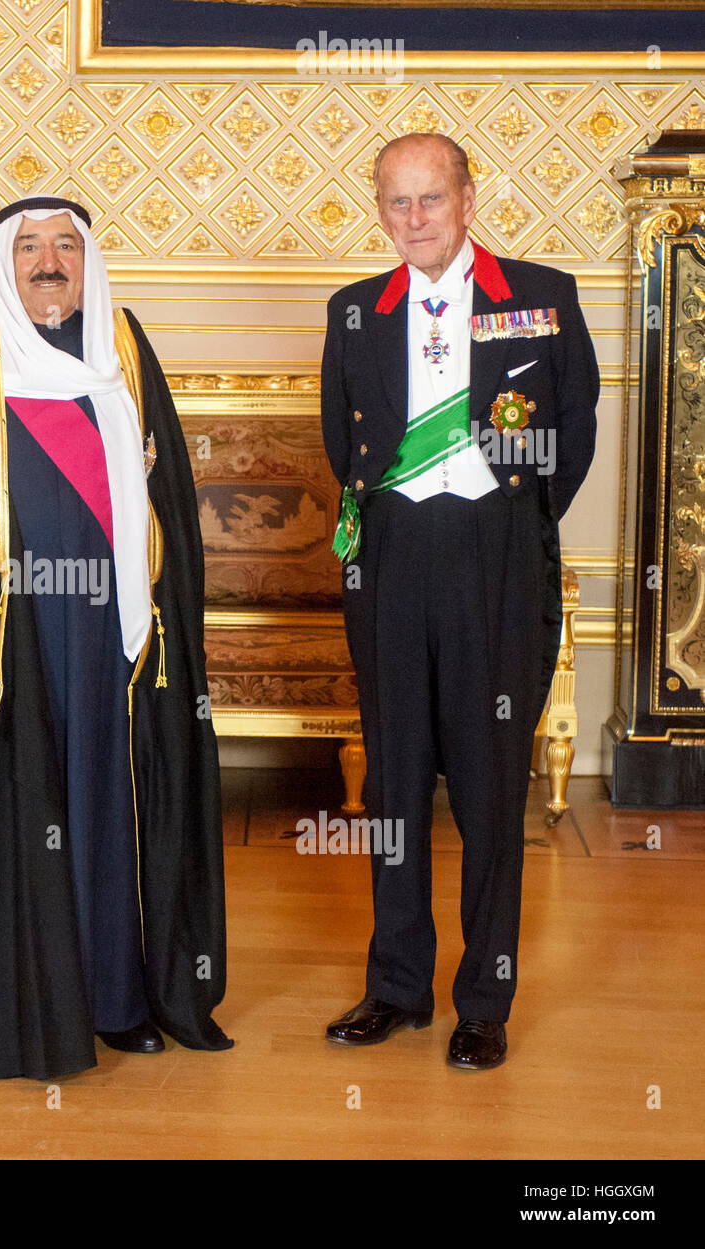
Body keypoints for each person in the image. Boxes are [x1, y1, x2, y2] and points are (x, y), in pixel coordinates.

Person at [0, 195, 232, 1080]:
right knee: (27, 804)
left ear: (88, 260)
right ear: (3, 262)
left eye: (66, 244)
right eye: (29, 247)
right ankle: (30, 1000)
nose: (49, 261)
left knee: (110, 797)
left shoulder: (125, 350)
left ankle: (118, 995)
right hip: (3, 630)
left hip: (114, 632)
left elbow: (169, 494)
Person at [319, 134, 599, 1070]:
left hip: (496, 566)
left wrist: (511, 529)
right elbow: (341, 443)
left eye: (430, 200)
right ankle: (397, 987)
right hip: (393, 568)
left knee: (487, 791)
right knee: (395, 786)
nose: (412, 221)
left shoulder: (542, 297)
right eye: (395, 203)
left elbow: (576, 427)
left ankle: (484, 997)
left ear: (469, 199)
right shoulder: (355, 311)